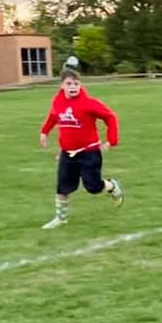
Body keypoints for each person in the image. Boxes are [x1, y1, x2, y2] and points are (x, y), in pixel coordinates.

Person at [39, 69, 124, 229]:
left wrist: (111, 140)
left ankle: (112, 185)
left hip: (89, 153)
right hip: (67, 153)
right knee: (62, 187)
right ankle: (61, 218)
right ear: (62, 85)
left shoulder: (88, 103)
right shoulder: (58, 102)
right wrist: (44, 131)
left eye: (76, 83)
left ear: (81, 85)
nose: (73, 87)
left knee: (93, 187)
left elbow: (110, 117)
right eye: (69, 83)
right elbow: (53, 116)